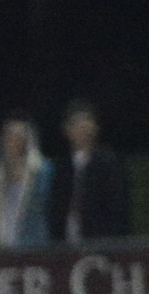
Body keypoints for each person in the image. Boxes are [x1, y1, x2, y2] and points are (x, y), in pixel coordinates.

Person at [48, 99, 132, 242]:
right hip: (66, 244)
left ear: (95, 128)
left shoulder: (108, 163)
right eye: (76, 124)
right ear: (66, 130)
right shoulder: (62, 168)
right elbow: (56, 209)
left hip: (99, 244)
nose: (83, 129)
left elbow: (118, 210)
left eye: (86, 123)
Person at [0, 113, 54, 247]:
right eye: (10, 135)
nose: (14, 141)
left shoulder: (43, 173)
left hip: (34, 250)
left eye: (19, 136)